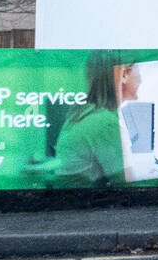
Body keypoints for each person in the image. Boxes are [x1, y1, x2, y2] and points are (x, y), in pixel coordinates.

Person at [28, 53, 141, 184]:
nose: (140, 80)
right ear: (124, 74)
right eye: (138, 72)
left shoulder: (83, 114)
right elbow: (130, 187)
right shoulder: (105, 123)